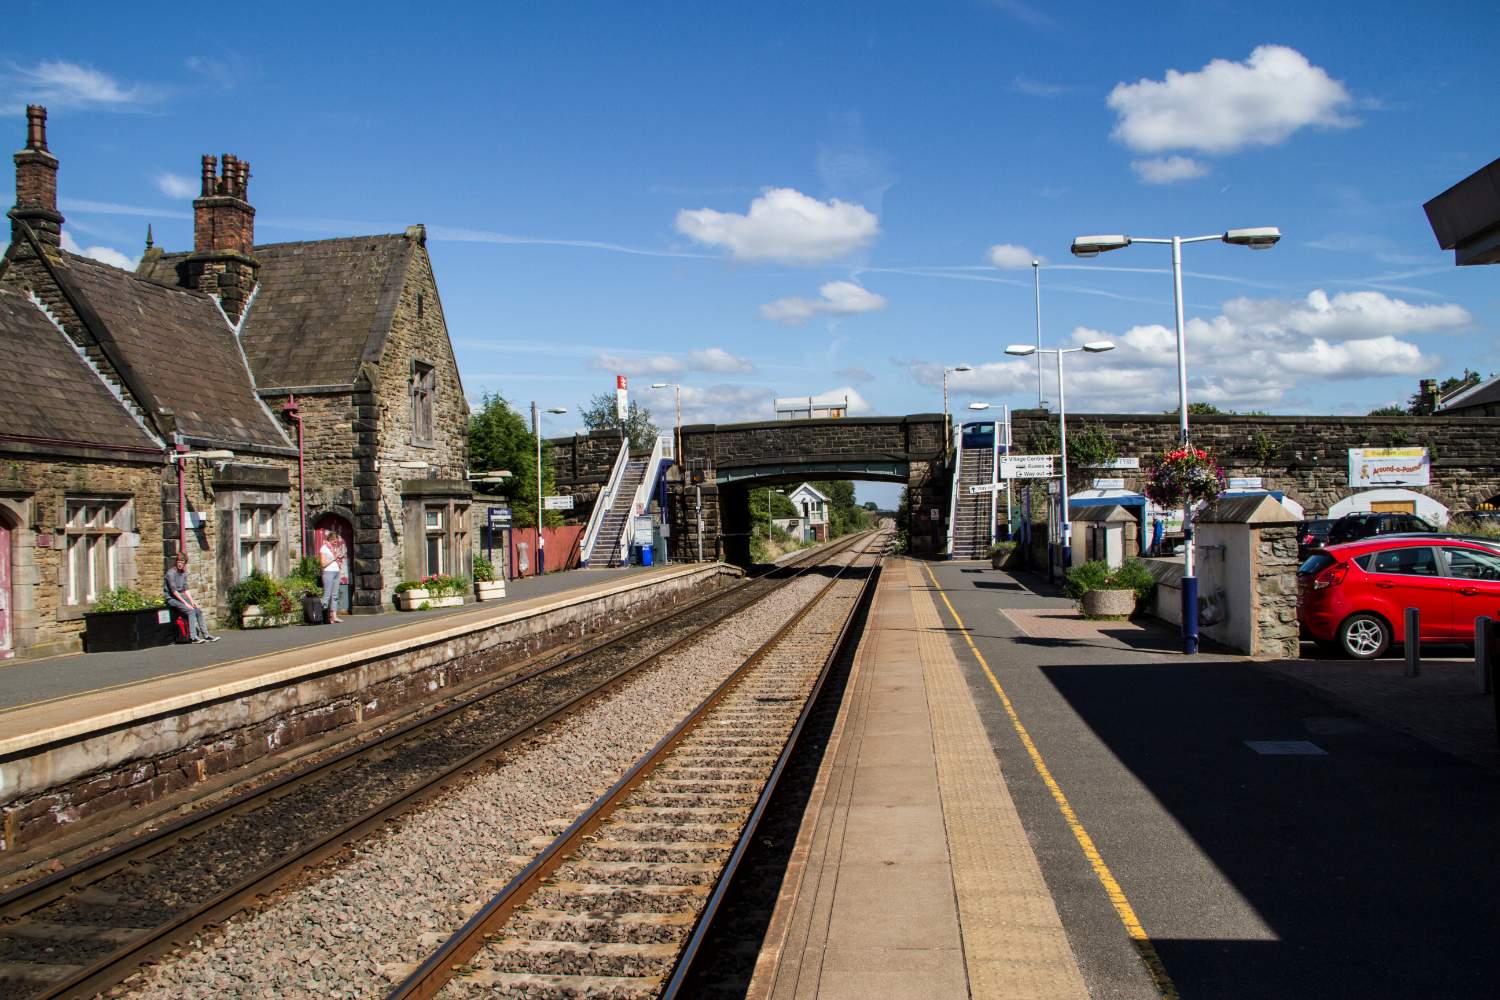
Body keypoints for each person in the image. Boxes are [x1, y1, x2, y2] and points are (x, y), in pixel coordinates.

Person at [164, 554, 217, 643]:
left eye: (182, 562)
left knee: (198, 611)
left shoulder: (184, 573)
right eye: (178, 561)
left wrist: (192, 602)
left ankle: (206, 635)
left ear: (185, 563)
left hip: (181, 596)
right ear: (176, 562)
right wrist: (186, 604)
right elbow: (174, 591)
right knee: (191, 611)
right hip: (171, 598)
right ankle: (193, 637)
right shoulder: (170, 573)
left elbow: (185, 589)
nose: (180, 564)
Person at [319, 532, 347, 624]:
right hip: (328, 572)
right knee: (327, 595)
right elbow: (323, 564)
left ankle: (334, 616)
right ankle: (325, 617)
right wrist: (333, 558)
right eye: (334, 540)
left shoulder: (334, 548)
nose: (336, 542)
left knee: (335, 595)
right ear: (330, 539)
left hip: (336, 572)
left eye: (336, 540)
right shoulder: (324, 548)